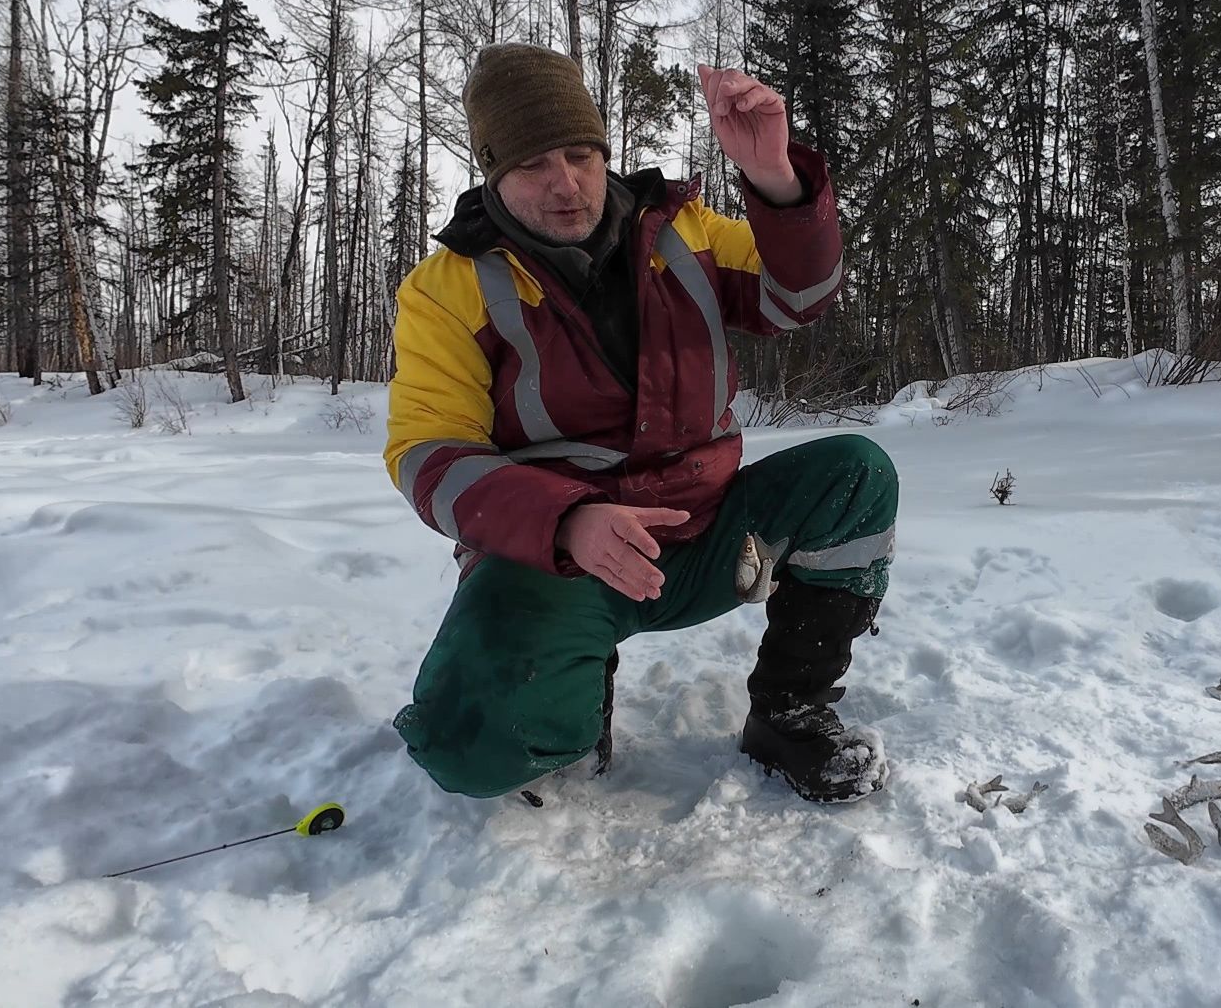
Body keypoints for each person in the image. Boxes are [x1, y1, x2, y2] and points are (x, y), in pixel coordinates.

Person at [383, 44, 897, 804]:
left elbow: (798, 296)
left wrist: (774, 179)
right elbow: (428, 453)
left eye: (580, 155)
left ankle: (789, 712)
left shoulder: (684, 230)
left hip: (711, 532)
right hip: (562, 560)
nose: (567, 184)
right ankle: (573, 689)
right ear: (492, 174)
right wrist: (566, 522)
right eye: (533, 165)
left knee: (855, 474)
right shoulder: (447, 289)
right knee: (469, 749)